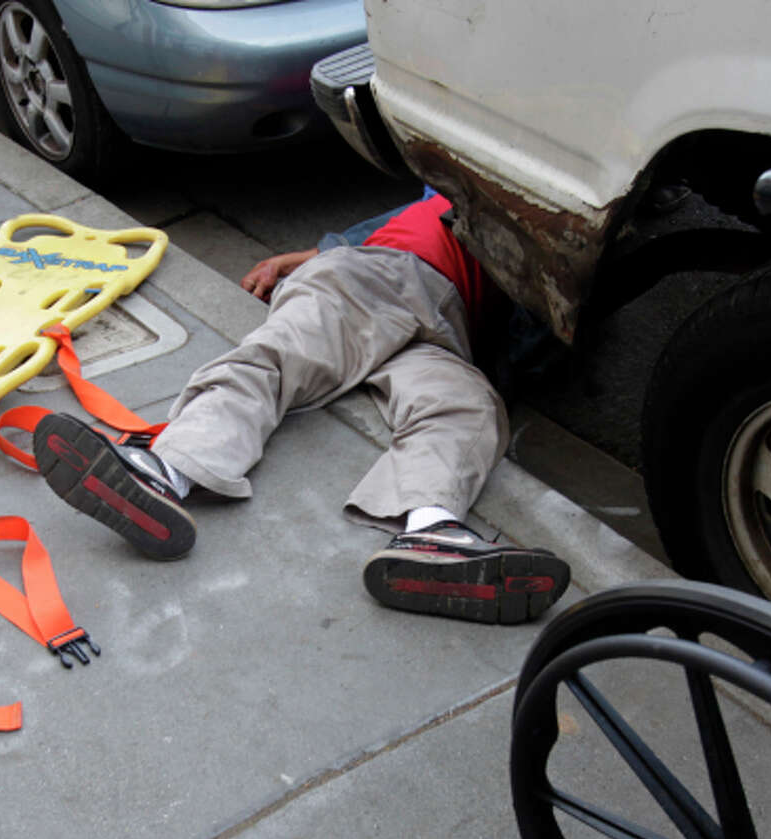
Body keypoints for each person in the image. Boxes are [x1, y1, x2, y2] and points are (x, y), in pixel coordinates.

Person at [31, 194, 571, 626]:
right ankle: (164, 471)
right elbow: (358, 239)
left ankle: (433, 532)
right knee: (278, 359)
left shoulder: (561, 249)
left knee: (471, 407)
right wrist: (308, 257)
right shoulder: (451, 186)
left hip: (443, 332)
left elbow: (533, 347)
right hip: (372, 276)